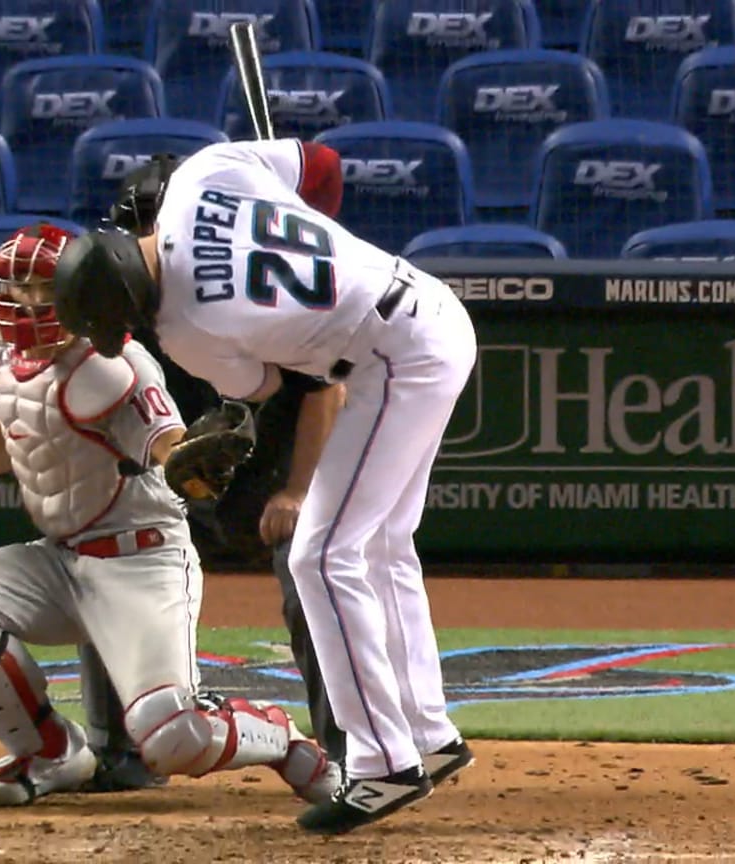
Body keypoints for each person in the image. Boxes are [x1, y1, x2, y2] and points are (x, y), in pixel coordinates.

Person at [47, 139, 479, 834]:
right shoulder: (201, 173)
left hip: (394, 358)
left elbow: (265, 385)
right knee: (383, 546)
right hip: (426, 312)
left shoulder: (184, 329)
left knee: (322, 556)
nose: (130, 330)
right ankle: (427, 733)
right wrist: (310, 225)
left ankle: (383, 765)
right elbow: (325, 167)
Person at [0, 222, 340, 808]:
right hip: (60, 561)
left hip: (140, 561)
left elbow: (165, 442)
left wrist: (191, 456)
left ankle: (283, 741)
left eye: (38, 290)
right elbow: (12, 432)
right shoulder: (2, 352)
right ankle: (52, 753)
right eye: (15, 288)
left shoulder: (112, 364)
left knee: (171, 738)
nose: (22, 302)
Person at [83, 156, 349, 772]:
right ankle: (116, 749)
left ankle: (350, 750)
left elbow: (326, 388)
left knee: (312, 574)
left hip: (273, 476)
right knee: (107, 557)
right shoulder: (120, 301)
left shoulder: (258, 282)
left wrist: (299, 491)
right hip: (173, 479)